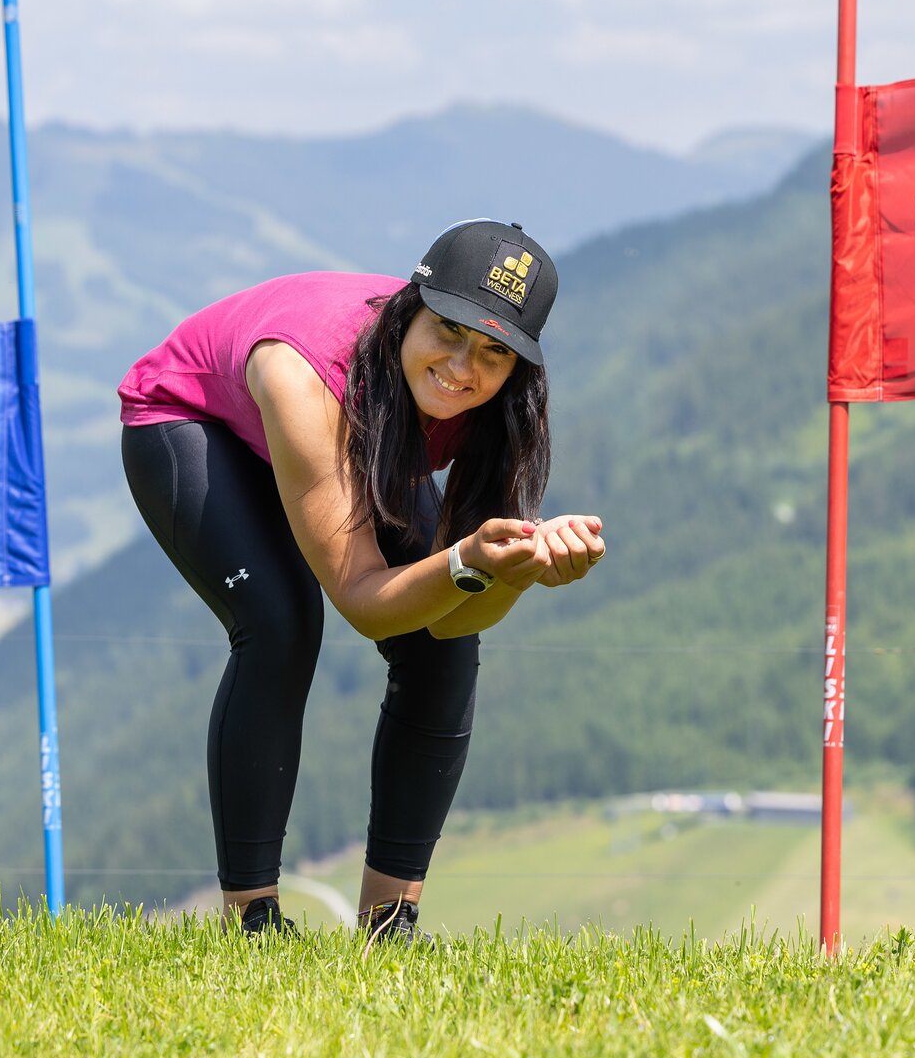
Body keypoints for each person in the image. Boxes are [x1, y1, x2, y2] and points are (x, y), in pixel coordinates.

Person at [118, 218, 605, 942]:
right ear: (411, 307)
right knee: (281, 623)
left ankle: (389, 925)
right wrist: (467, 562)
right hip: (197, 424)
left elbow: (453, 614)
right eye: (449, 330)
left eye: (494, 351)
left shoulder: (496, 410)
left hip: (360, 433)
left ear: (519, 368)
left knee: (441, 645)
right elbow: (365, 603)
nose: (462, 368)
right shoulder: (303, 370)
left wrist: (511, 572)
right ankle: (251, 925)